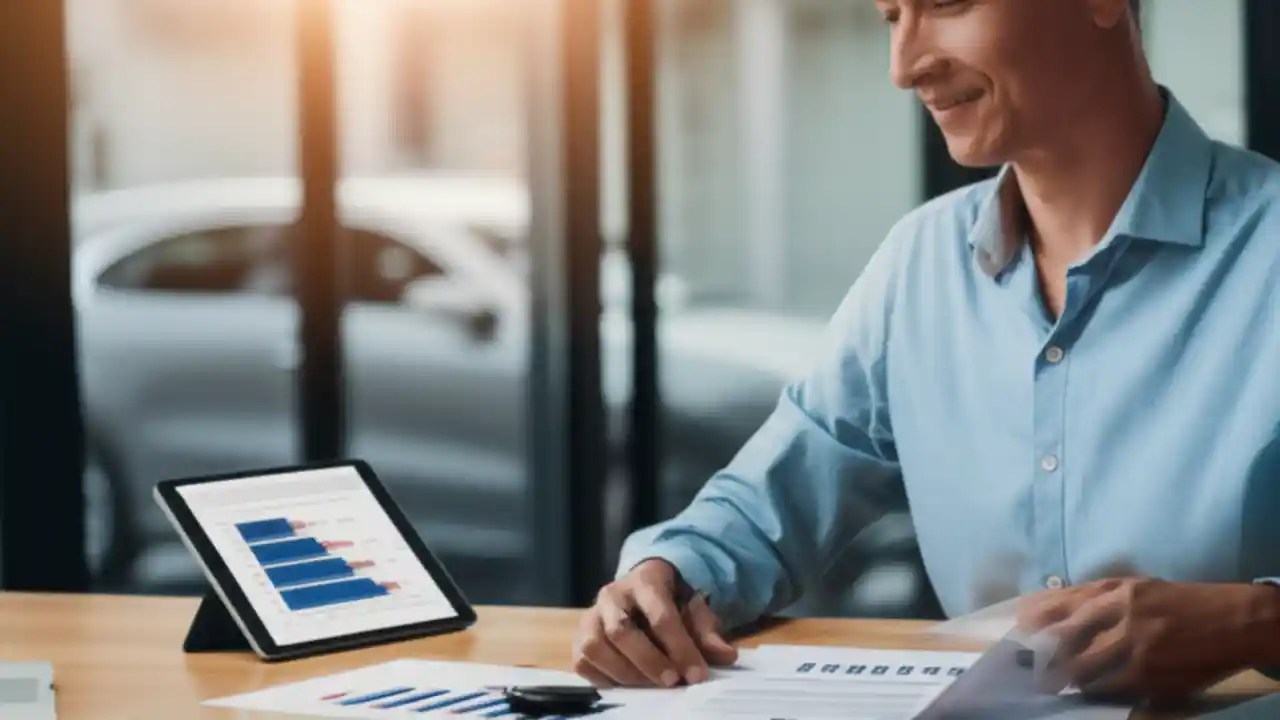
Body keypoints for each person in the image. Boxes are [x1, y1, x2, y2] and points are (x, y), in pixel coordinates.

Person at [571, 0, 1280, 700]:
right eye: (890, 17)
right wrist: (663, 578)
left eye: (944, 4)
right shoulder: (920, 263)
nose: (905, 67)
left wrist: (1253, 622)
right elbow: (768, 504)